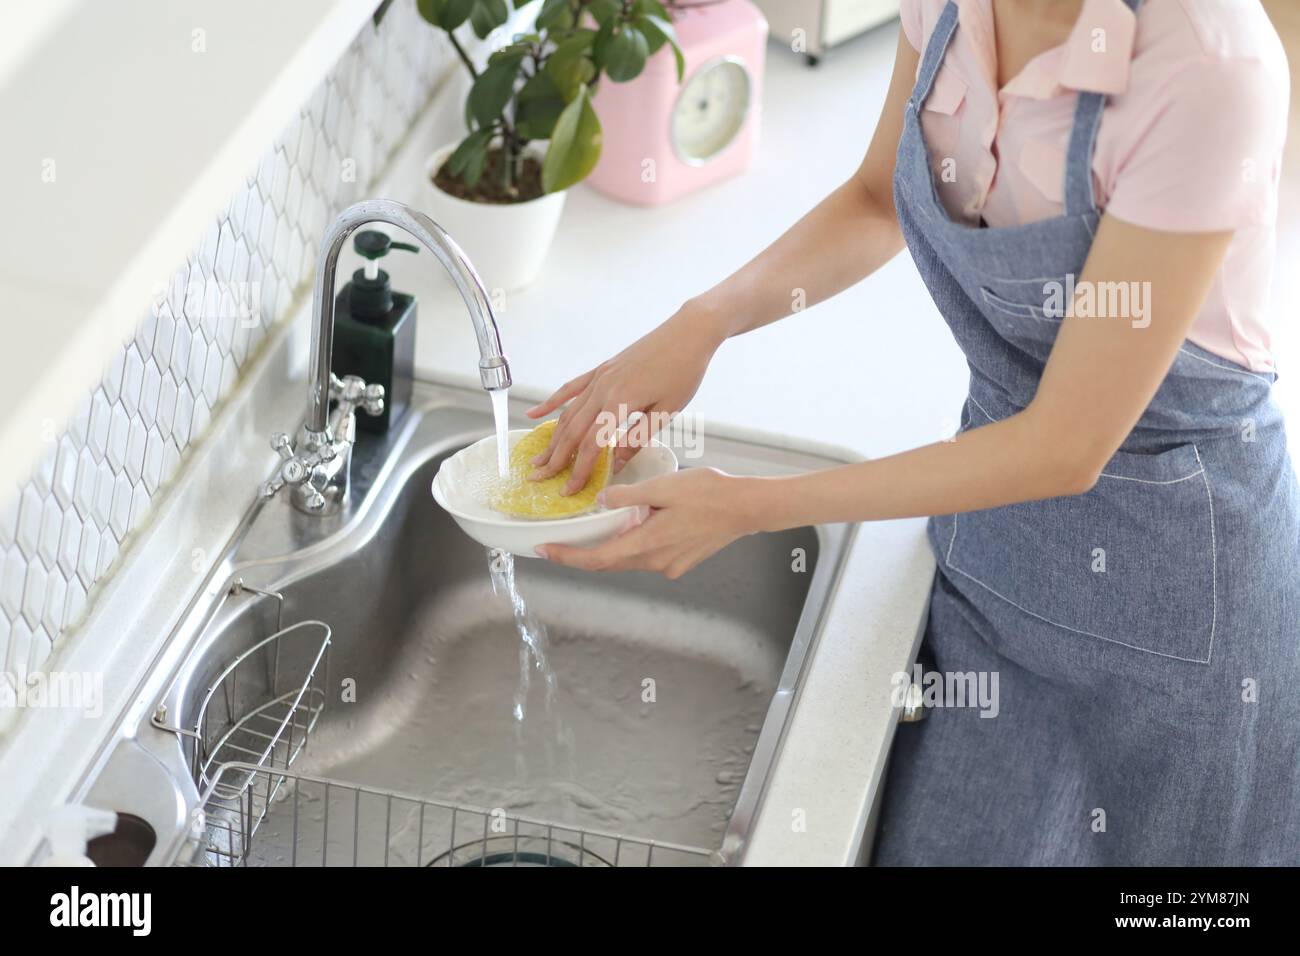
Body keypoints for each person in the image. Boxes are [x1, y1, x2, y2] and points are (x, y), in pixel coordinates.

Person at [524, 0, 1300, 864]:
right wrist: (702, 322)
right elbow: (874, 200)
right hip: (996, 557)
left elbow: (1064, 446)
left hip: (1185, 609)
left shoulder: (1213, 70)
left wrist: (751, 506)